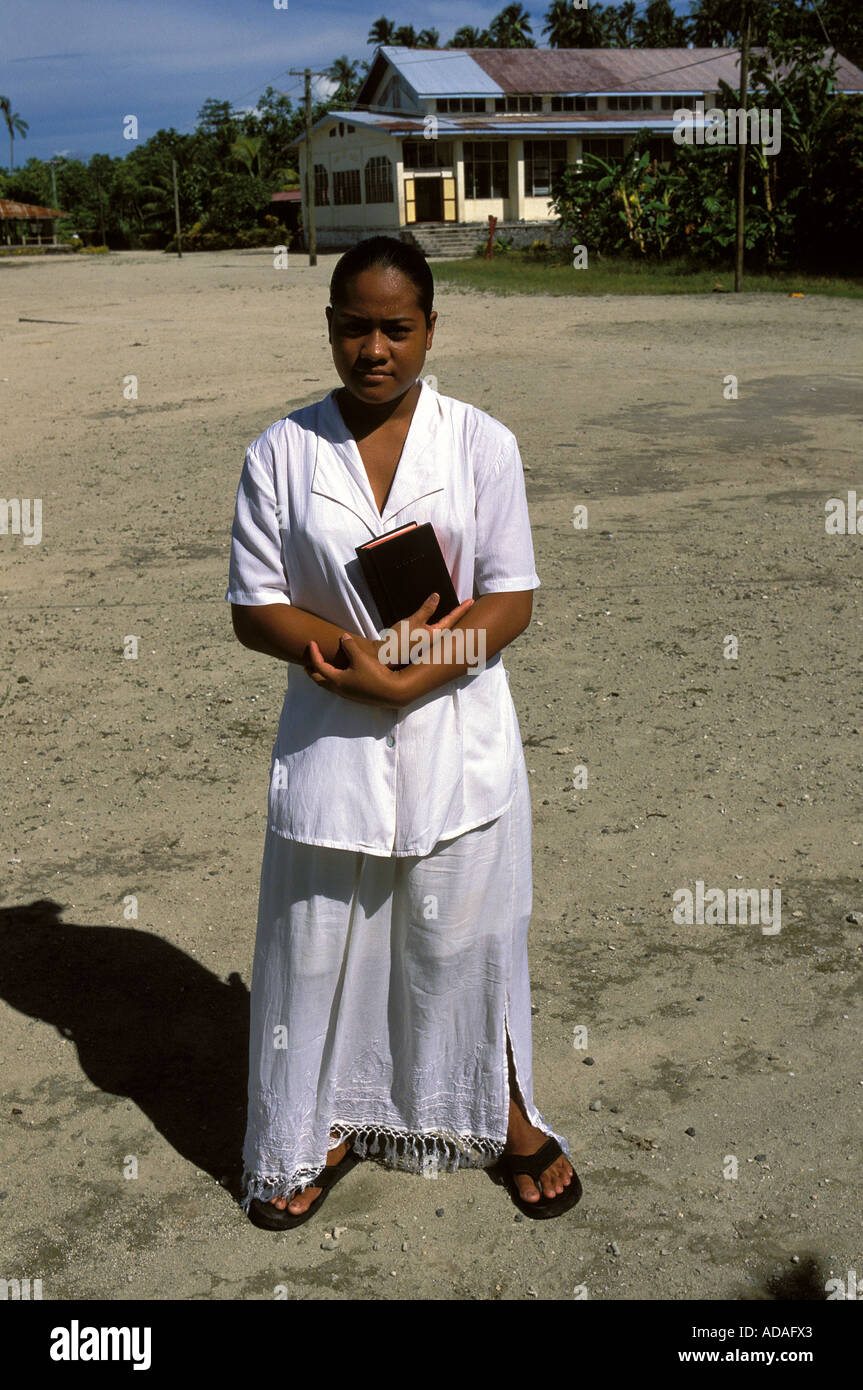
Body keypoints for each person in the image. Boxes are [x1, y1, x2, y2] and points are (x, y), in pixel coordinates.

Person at [226, 235, 581, 1228]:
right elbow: (255, 606)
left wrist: (417, 672)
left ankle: (503, 1114)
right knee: (319, 945)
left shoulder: (480, 443)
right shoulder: (280, 452)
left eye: (396, 327)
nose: (373, 349)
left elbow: (509, 596)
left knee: (463, 934)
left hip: (458, 732)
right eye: (354, 327)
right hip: (331, 736)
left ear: (429, 327)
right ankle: (314, 1127)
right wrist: (354, 657)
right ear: (328, 327)